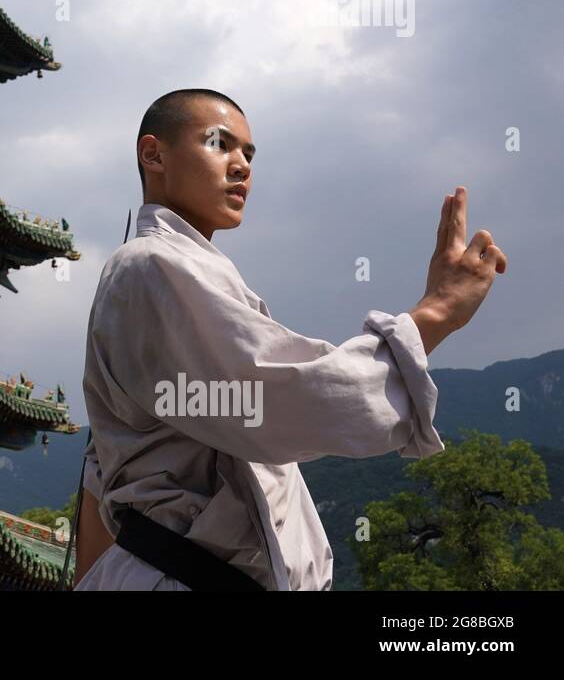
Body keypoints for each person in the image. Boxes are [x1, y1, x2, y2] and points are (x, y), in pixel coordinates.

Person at [74, 89, 507, 590]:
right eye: (220, 144)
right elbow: (284, 399)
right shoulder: (148, 266)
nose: (241, 166)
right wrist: (436, 314)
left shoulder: (193, 277)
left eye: (249, 155)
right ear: (154, 154)